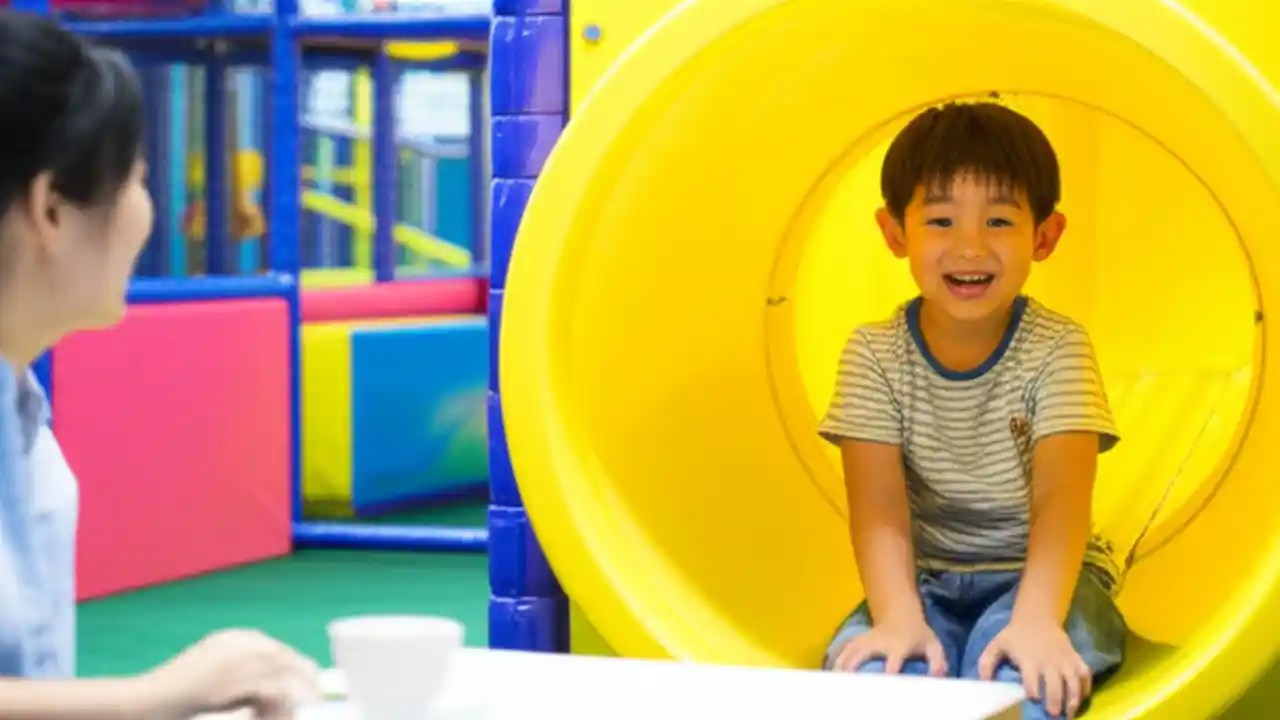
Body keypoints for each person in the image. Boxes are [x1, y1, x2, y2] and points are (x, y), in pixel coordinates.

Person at [0, 9, 319, 720]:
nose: (147, 211)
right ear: (51, 209)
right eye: (139, 181)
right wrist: (153, 696)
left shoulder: (24, 415)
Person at [818, 100, 1127, 720]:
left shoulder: (1056, 349)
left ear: (1044, 236)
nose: (969, 247)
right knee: (872, 674)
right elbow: (877, 510)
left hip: (1044, 577)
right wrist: (900, 618)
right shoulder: (875, 354)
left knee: (1019, 677)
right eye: (939, 221)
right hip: (927, 578)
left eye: (998, 221)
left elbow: (1061, 503)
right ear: (894, 233)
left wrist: (1038, 620)